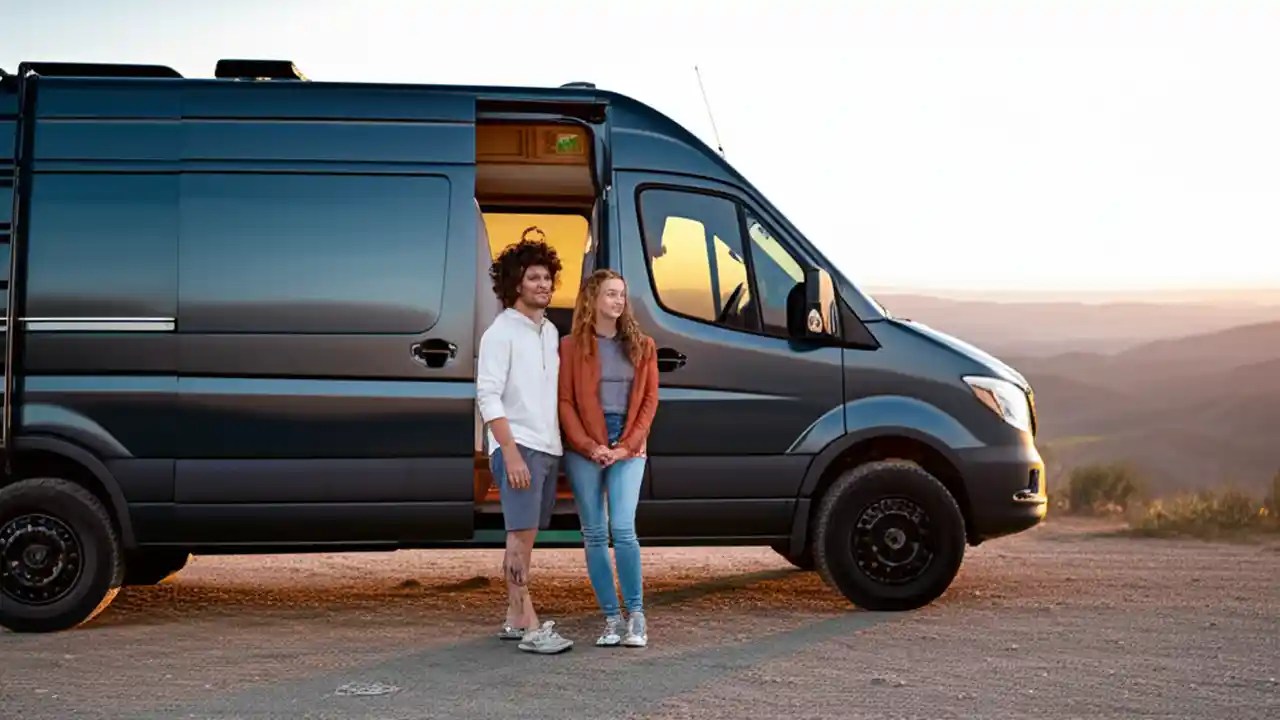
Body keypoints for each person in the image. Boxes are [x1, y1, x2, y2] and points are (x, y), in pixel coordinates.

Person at [475, 238, 573, 655]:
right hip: (519, 448)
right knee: (519, 536)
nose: (542, 284)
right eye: (533, 277)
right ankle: (531, 627)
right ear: (516, 282)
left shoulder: (549, 331)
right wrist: (510, 452)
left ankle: (514, 618)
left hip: (546, 447)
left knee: (524, 537)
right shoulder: (501, 332)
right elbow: (488, 395)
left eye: (547, 277)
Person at [558, 269, 660, 648]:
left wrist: (626, 446)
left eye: (621, 295)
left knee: (623, 527)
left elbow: (650, 402)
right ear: (593, 299)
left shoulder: (643, 345)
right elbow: (565, 402)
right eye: (610, 294)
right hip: (586, 444)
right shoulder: (570, 346)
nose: (618, 301)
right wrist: (590, 446)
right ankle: (611, 619)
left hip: (629, 444)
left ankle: (636, 616)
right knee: (595, 533)